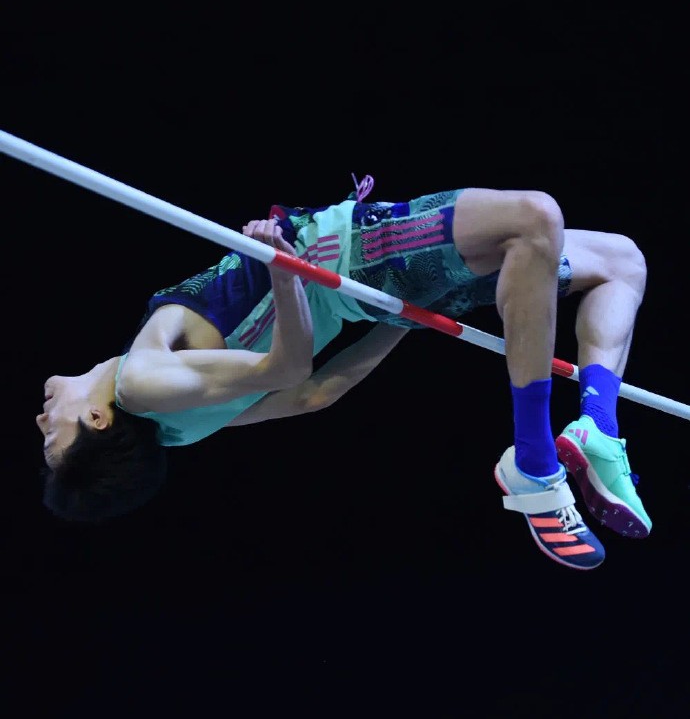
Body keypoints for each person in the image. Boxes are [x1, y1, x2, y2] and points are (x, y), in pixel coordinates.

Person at [36, 176, 651, 569]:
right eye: (51, 436)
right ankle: (536, 463)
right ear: (97, 418)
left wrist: (407, 321)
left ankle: (597, 426)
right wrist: (281, 271)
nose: (41, 417)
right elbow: (290, 366)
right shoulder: (140, 383)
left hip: (382, 287)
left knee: (620, 261)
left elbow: (315, 394)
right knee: (534, 217)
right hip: (356, 252)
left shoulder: (182, 426)